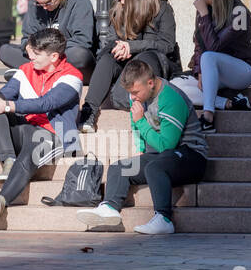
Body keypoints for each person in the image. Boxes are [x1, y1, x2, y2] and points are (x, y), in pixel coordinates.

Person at [77, 58, 208, 235]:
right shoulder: (138, 96)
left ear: (150, 83)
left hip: (191, 156)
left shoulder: (171, 99)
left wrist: (141, 121)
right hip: (163, 156)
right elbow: (136, 126)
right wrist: (141, 148)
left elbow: (166, 145)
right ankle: (109, 208)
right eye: (130, 93)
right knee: (119, 167)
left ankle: (164, 219)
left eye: (136, 92)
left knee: (155, 168)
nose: (133, 98)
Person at [0, 28, 83, 225]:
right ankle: (8, 158)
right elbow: (6, 93)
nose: (30, 56)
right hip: (25, 128)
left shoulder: (73, 76)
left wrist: (7, 106)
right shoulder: (26, 69)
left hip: (53, 135)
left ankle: (2, 199)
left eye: (36, 53)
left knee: (30, 152)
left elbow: (47, 103)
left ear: (54, 56)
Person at [77, 0, 180, 134]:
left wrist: (132, 46)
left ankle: (142, 109)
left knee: (142, 61)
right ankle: (89, 112)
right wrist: (119, 48)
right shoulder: (119, 8)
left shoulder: (161, 8)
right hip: (127, 63)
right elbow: (109, 42)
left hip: (156, 62)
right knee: (108, 58)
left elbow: (167, 45)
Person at [188, 0, 251, 132]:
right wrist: (199, 72)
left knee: (209, 57)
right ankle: (231, 103)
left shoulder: (239, 12)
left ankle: (208, 117)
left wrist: (204, 14)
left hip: (243, 70)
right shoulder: (206, 9)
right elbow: (199, 45)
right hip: (215, 71)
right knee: (176, 85)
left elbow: (214, 47)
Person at [0, 0, 97, 82]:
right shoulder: (35, 4)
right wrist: (28, 47)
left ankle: (32, 73)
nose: (44, 7)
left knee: (80, 55)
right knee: (4, 51)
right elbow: (27, 37)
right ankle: (41, 74)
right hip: (40, 56)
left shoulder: (79, 0)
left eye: (48, 2)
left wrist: (50, 54)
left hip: (66, 56)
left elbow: (83, 41)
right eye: (40, 4)